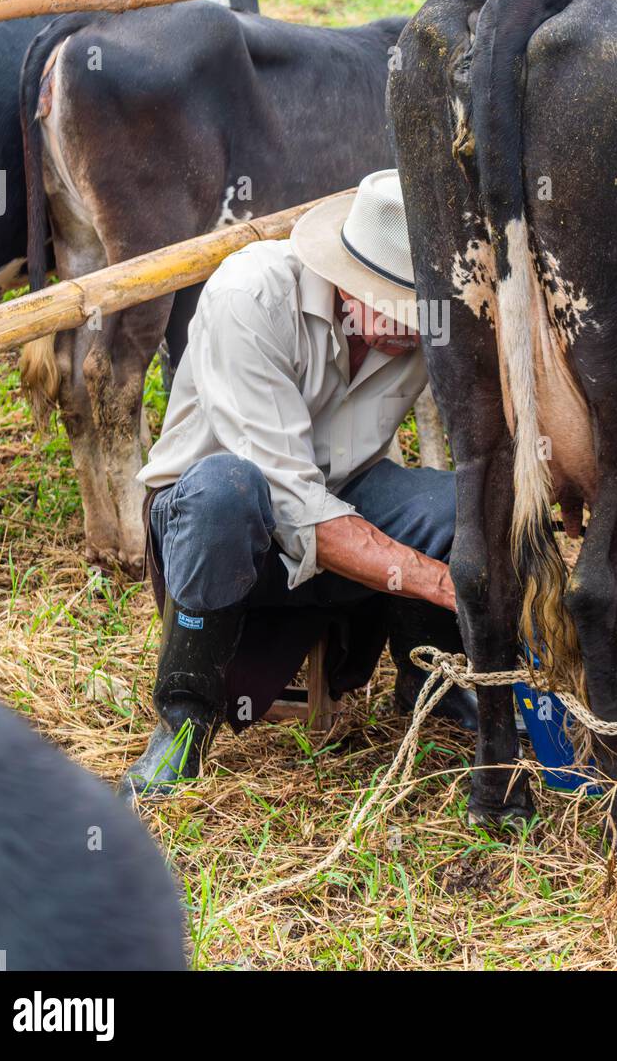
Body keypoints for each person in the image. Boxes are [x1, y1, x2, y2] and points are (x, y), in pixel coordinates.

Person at [120, 170, 472, 799]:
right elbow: (288, 504)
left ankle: (436, 690)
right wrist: (447, 584)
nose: (416, 331)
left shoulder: (418, 327)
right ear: (348, 278)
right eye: (399, 309)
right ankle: (183, 723)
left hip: (340, 502)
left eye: (425, 312)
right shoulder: (250, 295)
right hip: (220, 533)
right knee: (228, 489)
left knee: (458, 507)